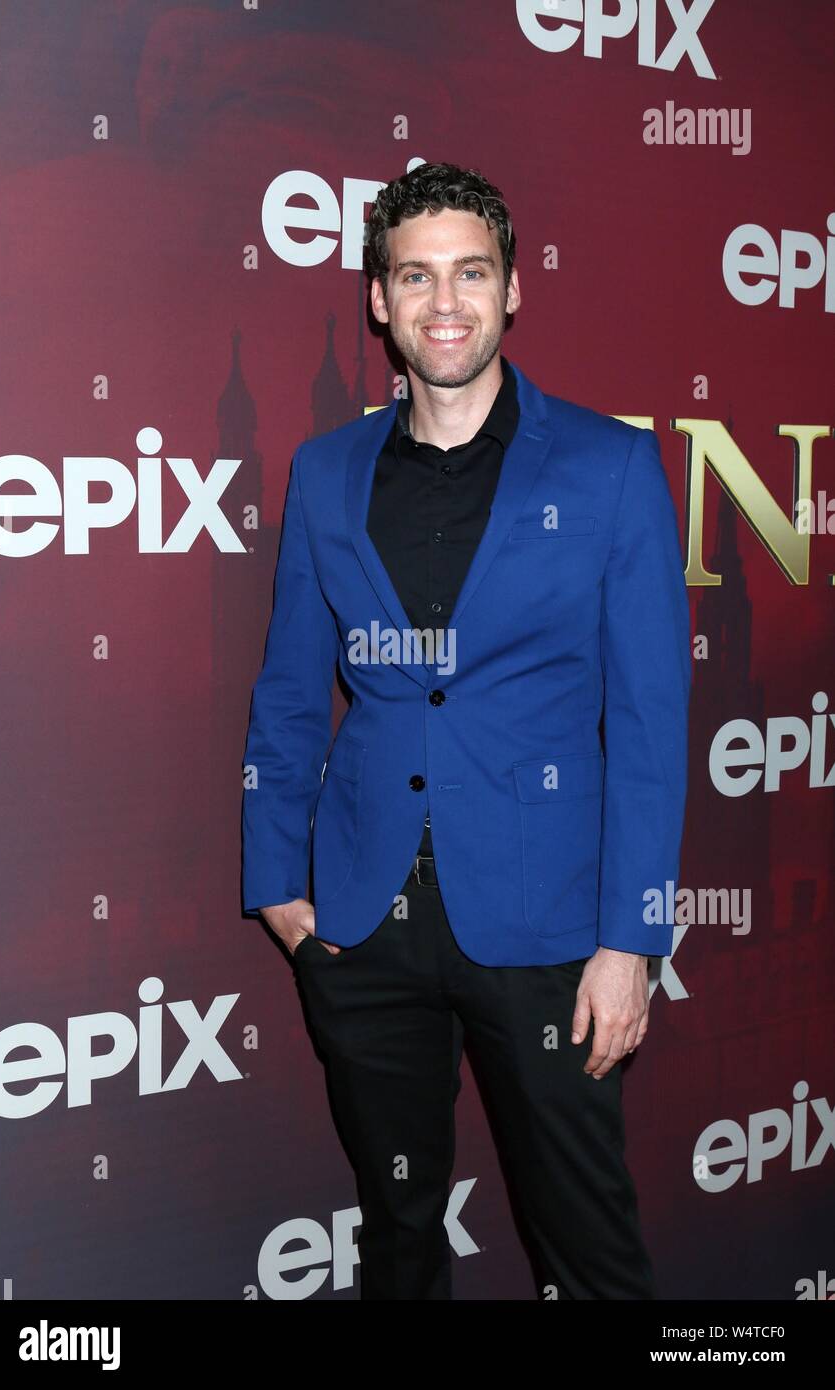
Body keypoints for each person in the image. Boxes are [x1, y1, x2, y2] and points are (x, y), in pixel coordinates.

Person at [241, 161, 691, 1300]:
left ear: (512, 290)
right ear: (378, 304)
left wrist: (631, 939)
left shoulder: (609, 466)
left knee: (586, 1249)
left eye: (470, 274)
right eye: (416, 276)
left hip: (548, 930)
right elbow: (291, 691)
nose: (446, 303)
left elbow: (648, 722)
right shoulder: (327, 472)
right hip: (361, 924)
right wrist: (278, 885)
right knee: (398, 1237)